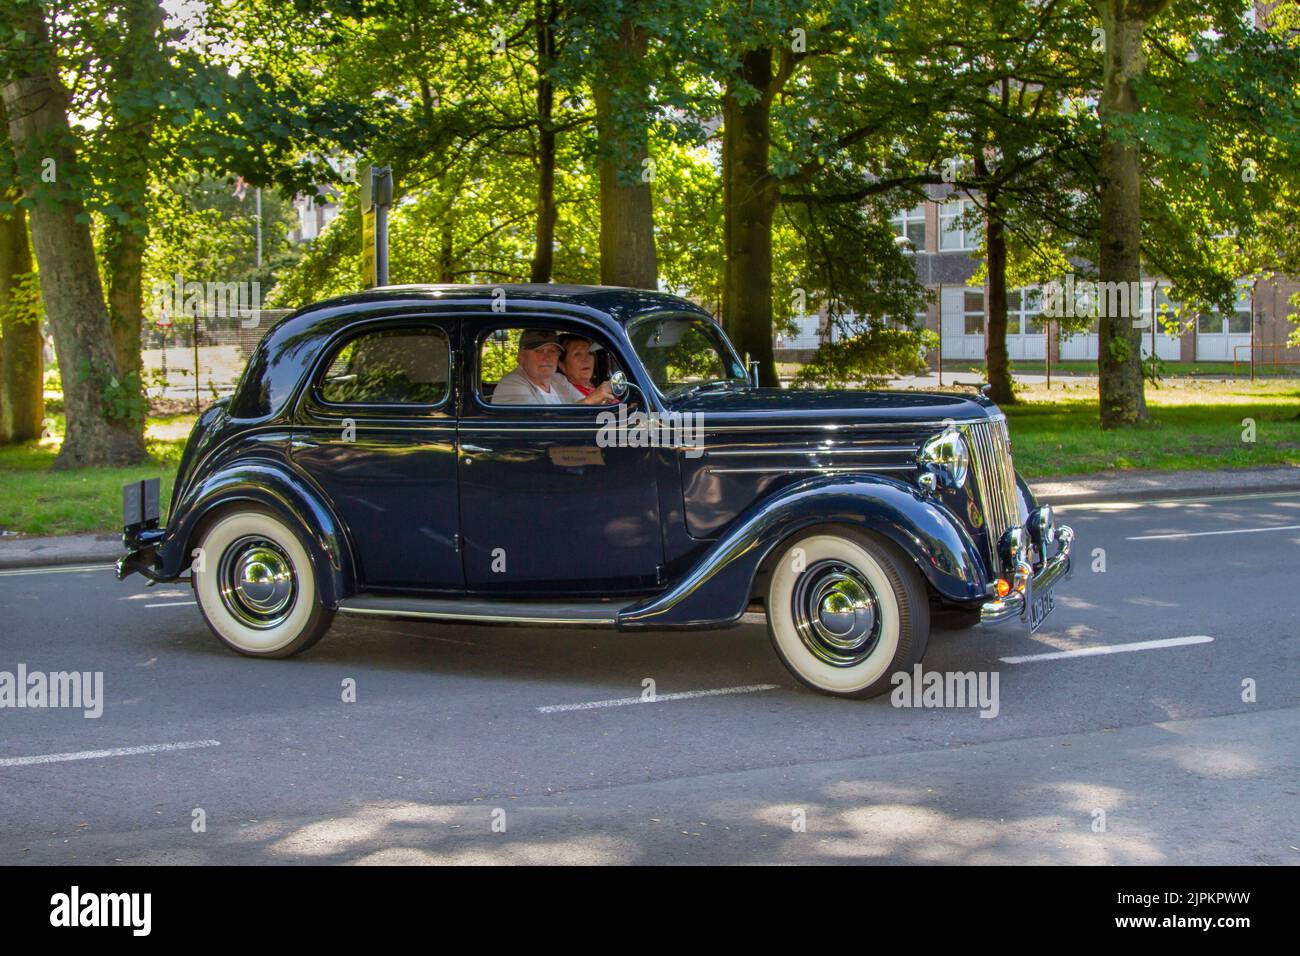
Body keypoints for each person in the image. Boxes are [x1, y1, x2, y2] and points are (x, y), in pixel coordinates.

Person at [491, 329, 615, 405]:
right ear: (521, 357)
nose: (547, 357)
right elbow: (540, 424)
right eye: (539, 351)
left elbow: (581, 404)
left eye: (552, 351)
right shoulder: (512, 384)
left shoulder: (558, 379)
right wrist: (590, 401)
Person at [557, 333, 604, 397]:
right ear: (562, 366)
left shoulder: (597, 389)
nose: (586, 359)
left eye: (590, 353)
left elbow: (620, 407)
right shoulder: (568, 394)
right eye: (577, 354)